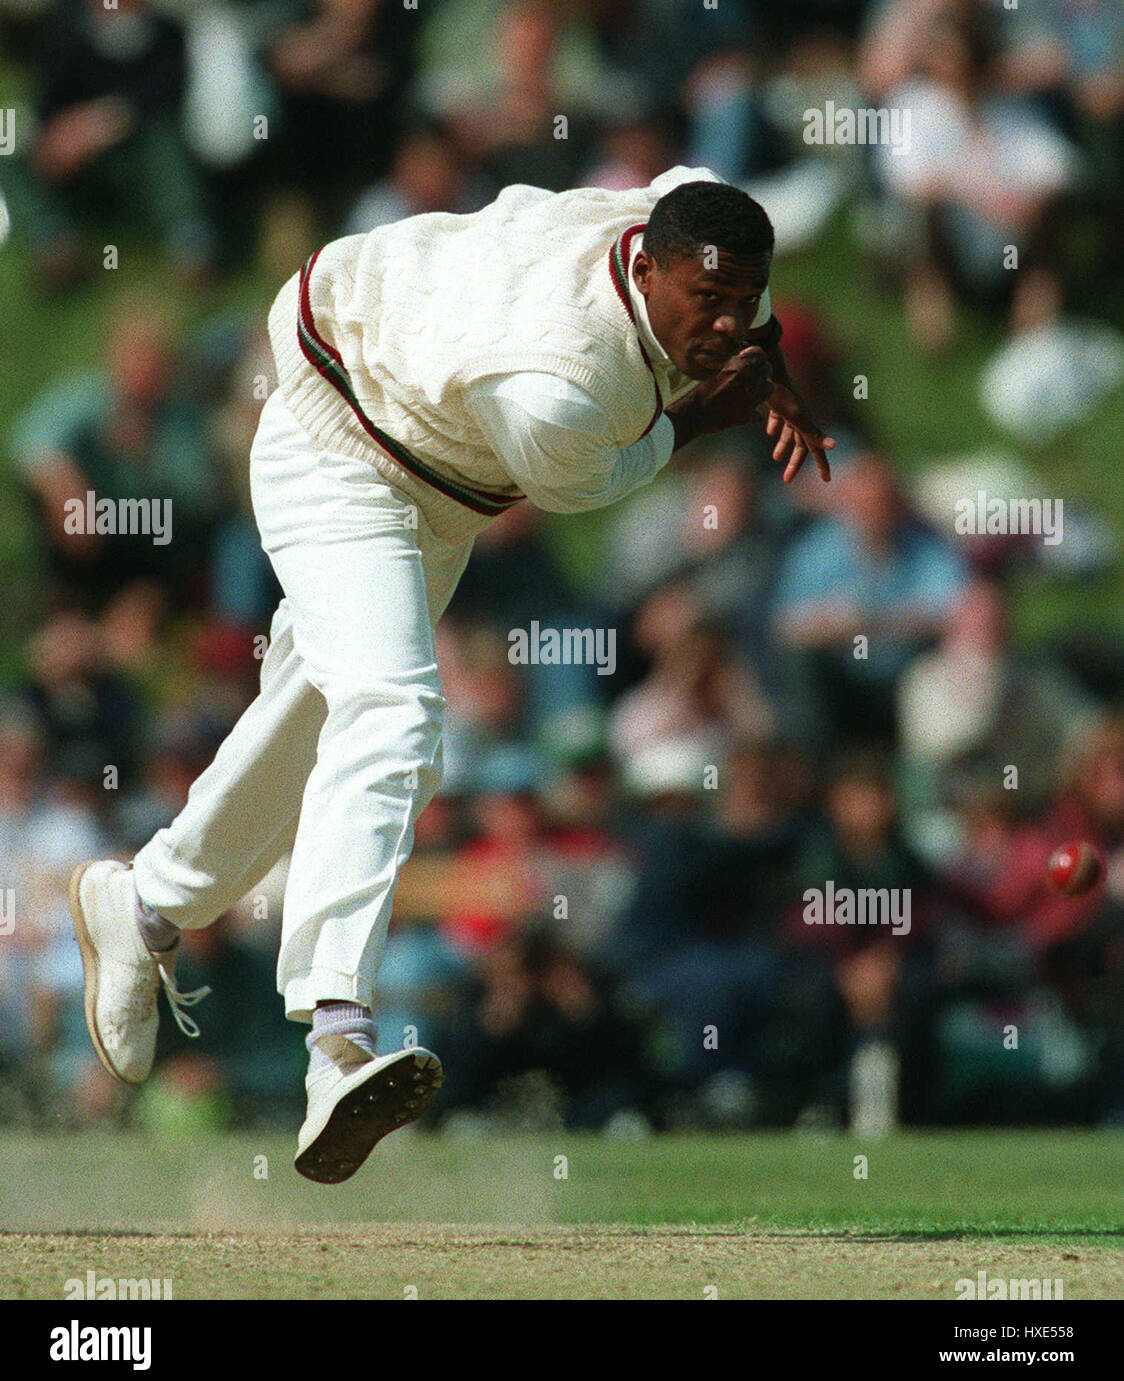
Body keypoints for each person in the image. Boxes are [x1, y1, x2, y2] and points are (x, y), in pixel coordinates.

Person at [68, 168, 834, 1183]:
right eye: (711, 303)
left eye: (748, 299)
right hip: (336, 427)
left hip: (435, 460)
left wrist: (767, 366)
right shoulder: (559, 385)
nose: (732, 320)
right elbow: (598, 478)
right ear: (643, 267)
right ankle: (336, 1040)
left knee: (314, 717)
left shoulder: (698, 235)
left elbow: (707, 214)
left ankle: (147, 904)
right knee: (393, 717)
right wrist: (712, 414)